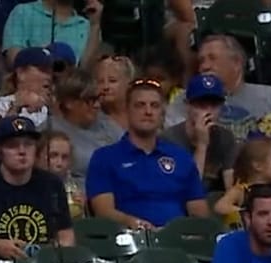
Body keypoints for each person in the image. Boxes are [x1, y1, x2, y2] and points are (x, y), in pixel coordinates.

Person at [86, 80, 211, 230]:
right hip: (129, 237)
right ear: (127, 111)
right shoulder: (104, 158)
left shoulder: (181, 158)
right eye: (140, 105)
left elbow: (198, 211)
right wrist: (135, 223)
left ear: (162, 114)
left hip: (178, 239)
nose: (148, 111)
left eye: (155, 106)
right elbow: (104, 212)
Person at [0, 116, 74, 259]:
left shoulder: (52, 185)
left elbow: (66, 234)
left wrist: (50, 253)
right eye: (13, 145)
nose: (22, 151)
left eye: (28, 144)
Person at [160, 73, 239, 195]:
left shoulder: (225, 137)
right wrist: (202, 145)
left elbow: (231, 187)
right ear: (188, 106)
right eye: (201, 105)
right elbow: (188, 191)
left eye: (214, 105)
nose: (208, 112)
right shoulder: (169, 139)